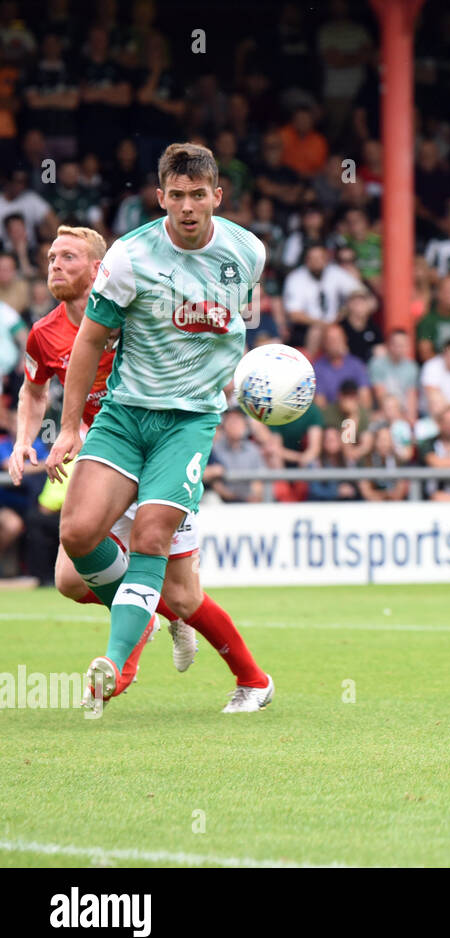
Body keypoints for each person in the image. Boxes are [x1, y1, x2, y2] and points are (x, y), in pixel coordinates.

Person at [43, 144, 276, 713]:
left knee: (154, 544)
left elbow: (236, 327)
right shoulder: (130, 257)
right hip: (125, 415)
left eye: (198, 195)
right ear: (160, 197)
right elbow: (90, 340)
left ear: (217, 195)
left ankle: (118, 663)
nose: (188, 206)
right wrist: (68, 427)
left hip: (188, 422)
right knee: (77, 536)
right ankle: (149, 615)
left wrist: (245, 382)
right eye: (177, 196)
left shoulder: (248, 252)